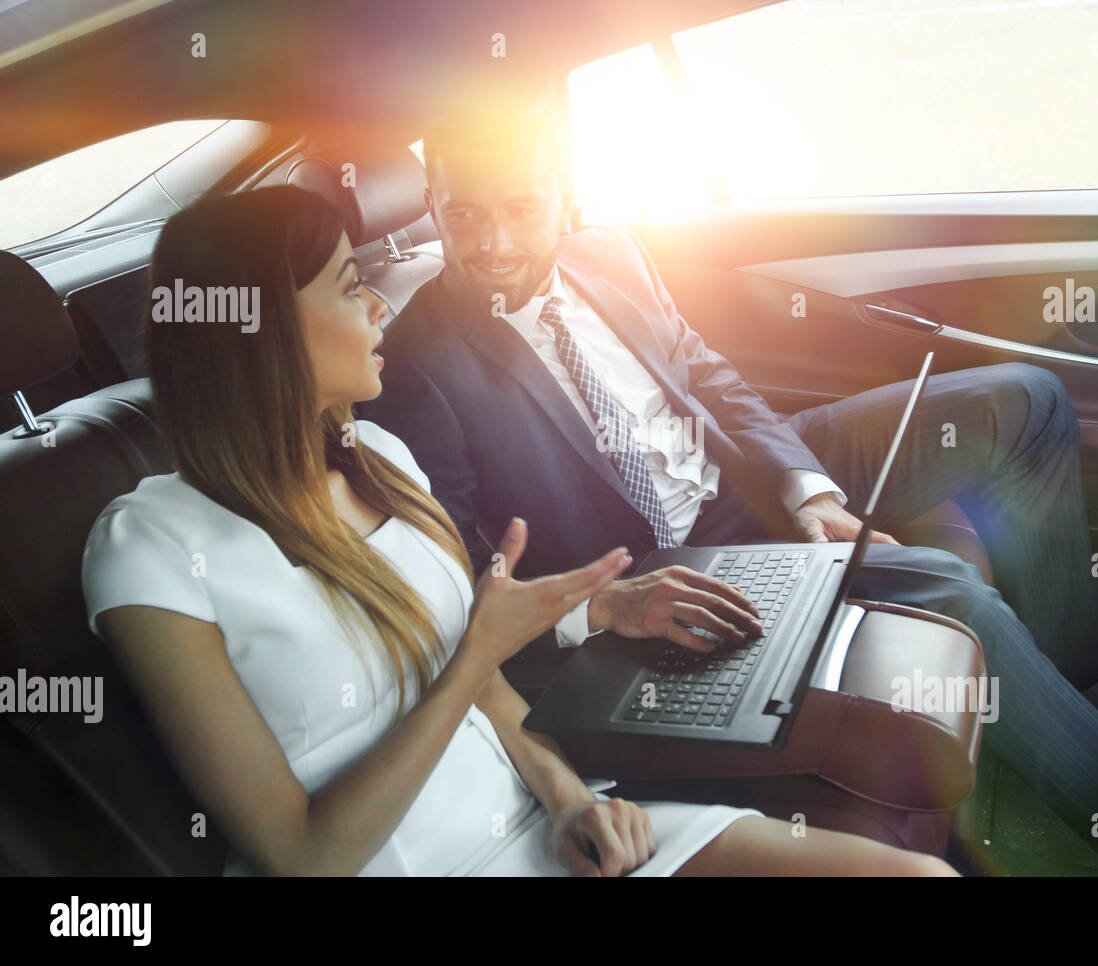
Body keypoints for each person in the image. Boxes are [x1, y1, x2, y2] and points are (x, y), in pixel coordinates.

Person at [355, 92, 1098, 874]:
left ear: (564, 194)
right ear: (433, 198)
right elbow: (462, 567)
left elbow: (709, 377)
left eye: (521, 208)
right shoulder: (415, 365)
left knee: (1023, 404)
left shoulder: (608, 253)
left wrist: (807, 491)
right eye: (463, 214)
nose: (493, 241)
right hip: (667, 556)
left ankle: (1091, 688)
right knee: (952, 596)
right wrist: (603, 604)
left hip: (743, 473)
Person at [79, 185, 956, 877]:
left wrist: (570, 798)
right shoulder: (149, 544)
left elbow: (488, 689)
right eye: (352, 289)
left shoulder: (377, 455)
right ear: (260, 329)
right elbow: (304, 856)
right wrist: (480, 653)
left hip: (544, 826)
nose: (380, 309)